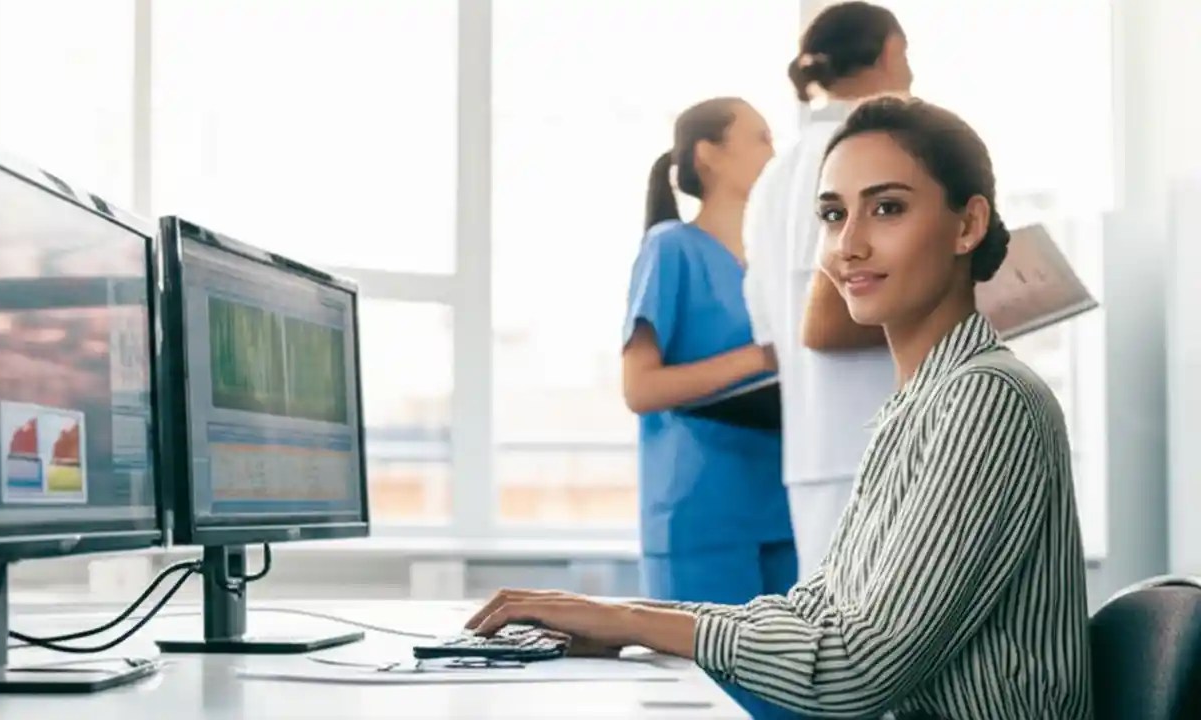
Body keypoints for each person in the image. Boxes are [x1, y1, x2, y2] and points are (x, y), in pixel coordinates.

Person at [465, 97, 1093, 720]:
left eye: (887, 208)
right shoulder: (915, 408)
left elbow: (855, 669)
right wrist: (627, 619)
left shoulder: (986, 401)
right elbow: (815, 611)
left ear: (967, 225)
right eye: (831, 214)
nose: (849, 244)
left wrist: (629, 619)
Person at [623, 97, 798, 719]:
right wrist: (762, 358)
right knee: (714, 701)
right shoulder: (671, 248)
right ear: (708, 155)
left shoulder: (770, 264)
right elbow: (640, 388)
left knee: (793, 697)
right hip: (700, 513)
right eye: (758, 138)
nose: (773, 153)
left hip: (778, 505)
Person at [744, 1, 912, 579]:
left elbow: (770, 342)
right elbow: (834, 321)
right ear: (890, 52)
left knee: (836, 638)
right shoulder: (878, 151)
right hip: (888, 442)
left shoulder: (775, 177)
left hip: (814, 454)